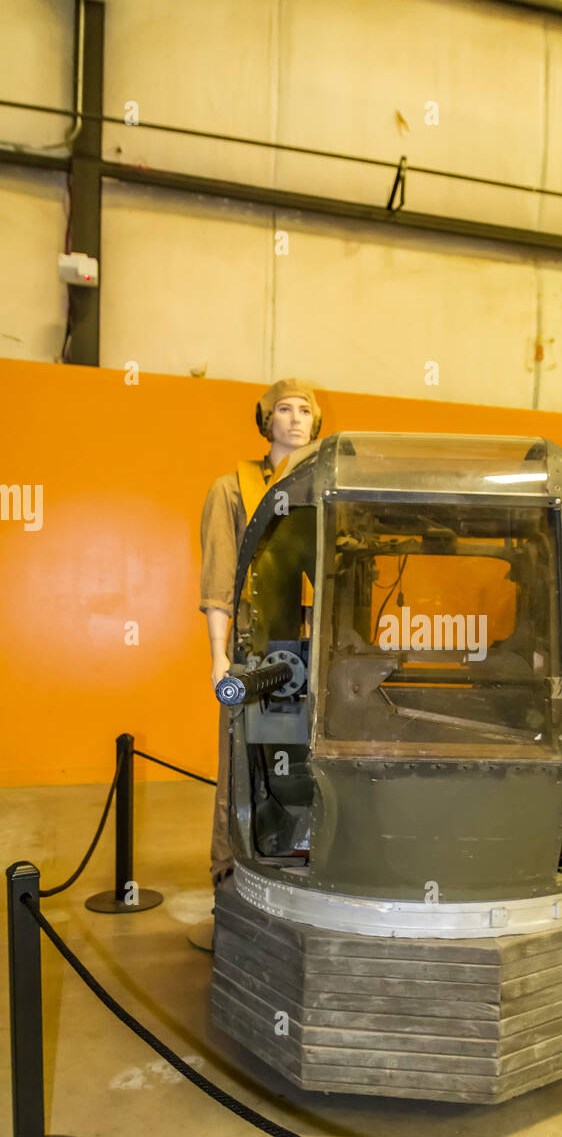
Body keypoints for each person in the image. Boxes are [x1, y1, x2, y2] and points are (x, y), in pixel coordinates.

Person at [199, 378, 323, 890]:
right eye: (284, 410)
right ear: (265, 420)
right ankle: (229, 871)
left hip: (307, 647)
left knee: (306, 752)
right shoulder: (231, 489)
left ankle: (297, 857)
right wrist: (218, 655)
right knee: (240, 757)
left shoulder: (322, 490)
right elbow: (217, 580)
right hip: (253, 645)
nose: (295, 419)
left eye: (305, 411)